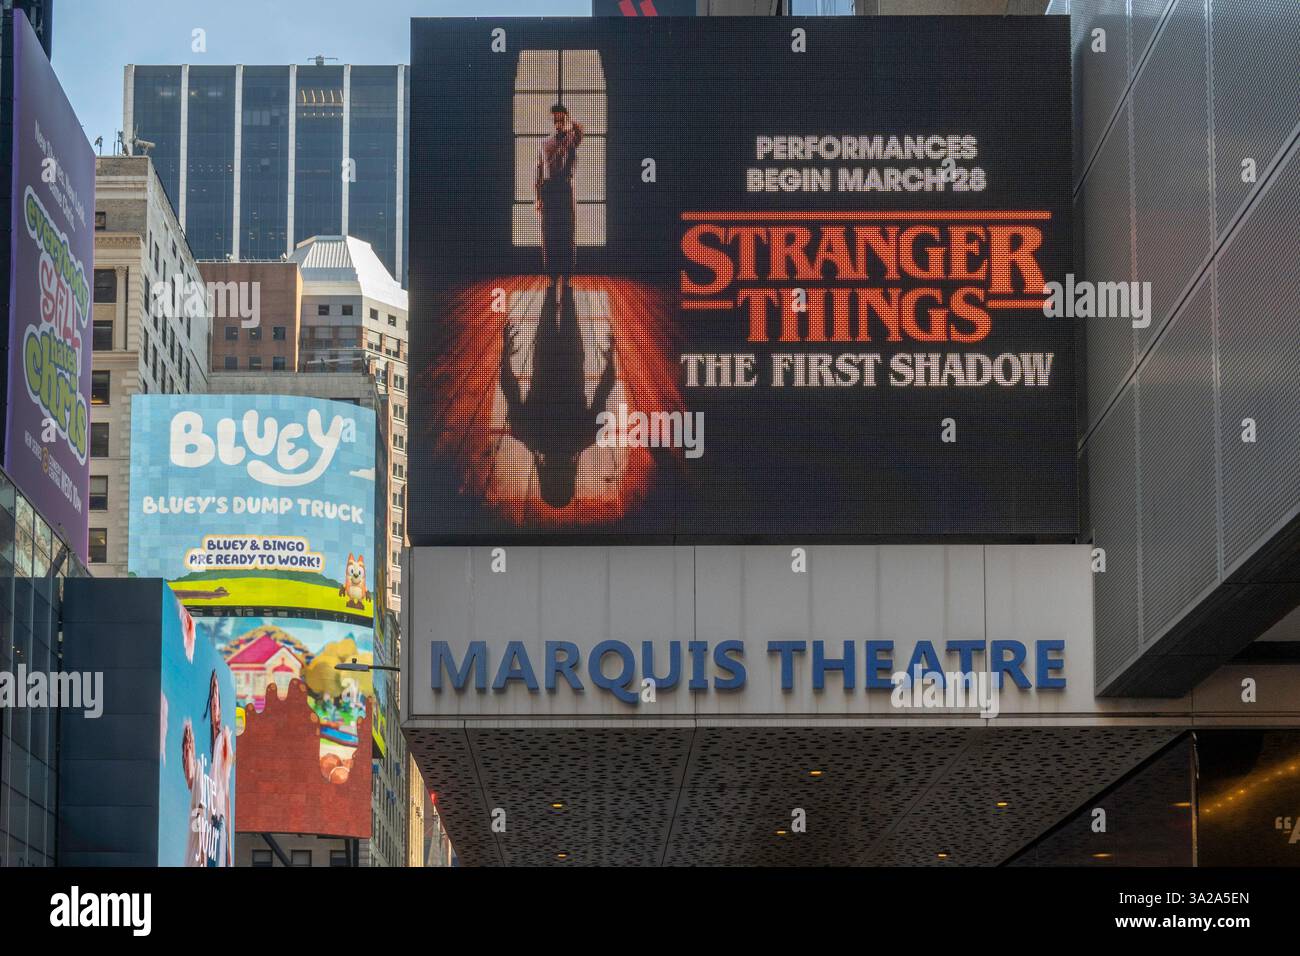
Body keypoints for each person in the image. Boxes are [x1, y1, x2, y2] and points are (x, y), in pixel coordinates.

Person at [535, 103, 583, 305]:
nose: (558, 122)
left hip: (564, 188)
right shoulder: (544, 143)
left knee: (567, 232)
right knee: (549, 233)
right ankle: (552, 275)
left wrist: (572, 124)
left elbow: (579, 132)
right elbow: (539, 171)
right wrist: (538, 196)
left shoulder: (572, 139)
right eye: (555, 118)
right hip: (549, 189)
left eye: (561, 118)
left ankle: (567, 275)